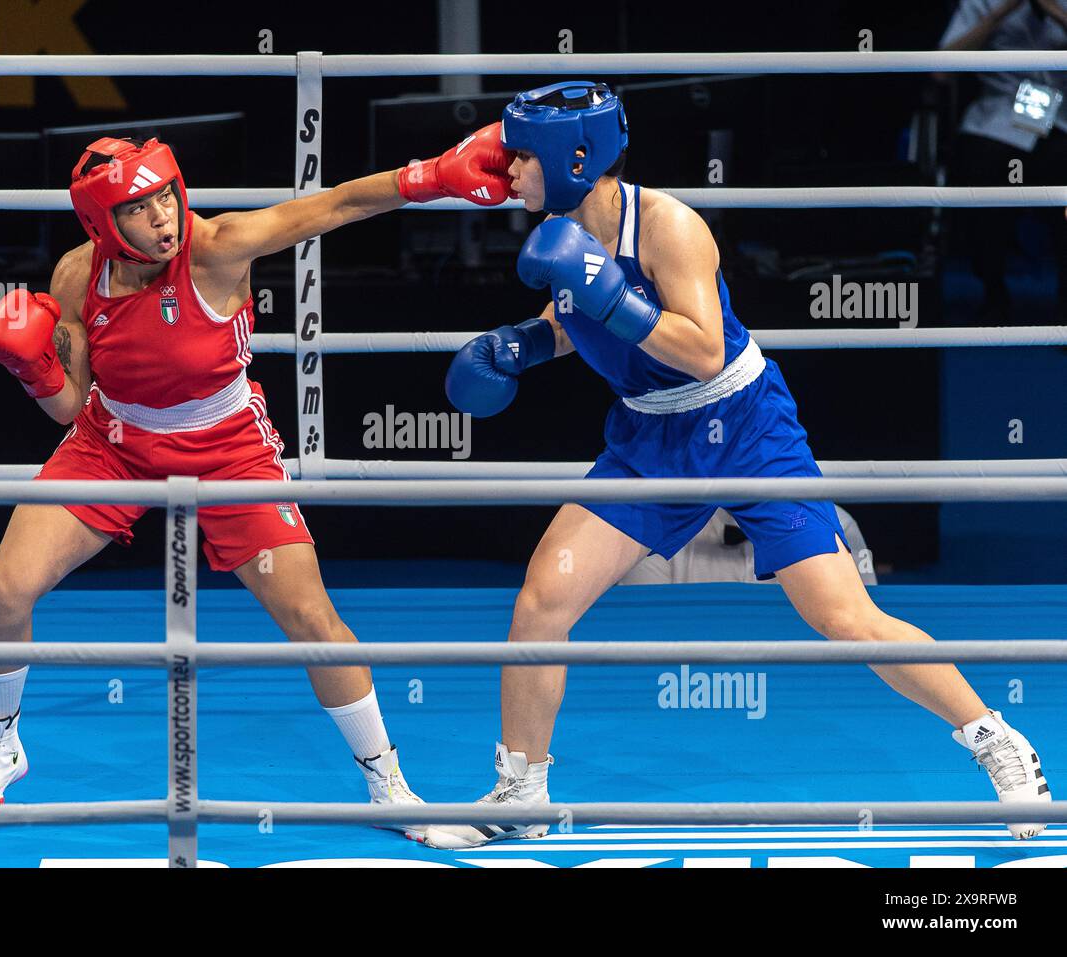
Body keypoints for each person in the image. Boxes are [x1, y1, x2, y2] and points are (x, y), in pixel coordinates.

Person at [427, 81, 1052, 848]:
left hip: (745, 426)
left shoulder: (670, 227)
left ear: (575, 158)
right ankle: (519, 792)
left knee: (842, 615)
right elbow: (573, 317)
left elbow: (702, 349)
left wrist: (605, 290)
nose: (507, 169)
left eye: (522, 155)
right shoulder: (564, 232)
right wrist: (523, 344)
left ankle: (999, 743)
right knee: (542, 597)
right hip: (648, 441)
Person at [0, 133, 513, 840]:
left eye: (167, 196)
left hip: (228, 450)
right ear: (102, 222)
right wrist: (32, 371)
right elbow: (70, 404)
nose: (163, 218)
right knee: (5, 592)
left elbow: (333, 206)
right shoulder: (76, 277)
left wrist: (433, 176)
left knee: (312, 621)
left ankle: (392, 789)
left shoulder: (217, 246)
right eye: (139, 208)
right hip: (114, 441)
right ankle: (0, 747)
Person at [939, 0, 1067, 322]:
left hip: (1062, 118)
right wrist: (1000, 14)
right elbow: (941, 68)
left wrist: (1055, 13)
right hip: (998, 116)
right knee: (980, 173)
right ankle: (993, 291)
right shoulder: (981, 1)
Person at [621, 505, 876, 585]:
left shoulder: (837, 526)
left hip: (799, 688)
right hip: (683, 683)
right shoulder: (650, 528)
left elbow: (861, 635)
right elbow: (647, 629)